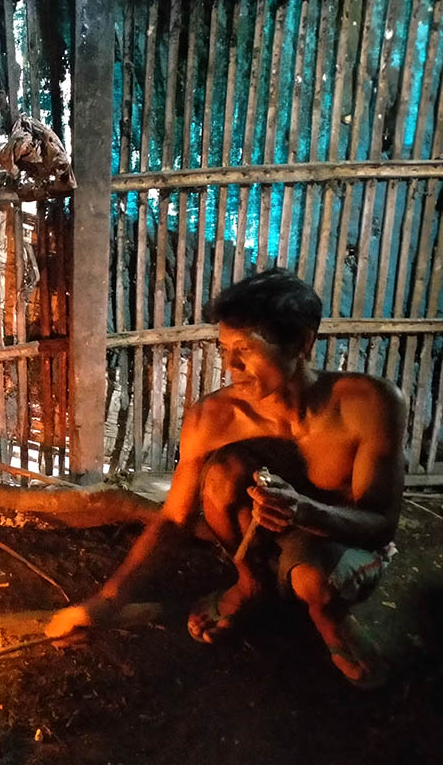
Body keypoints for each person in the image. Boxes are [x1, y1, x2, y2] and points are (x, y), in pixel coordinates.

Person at [45, 269, 405, 688]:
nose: (231, 365)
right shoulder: (215, 418)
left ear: (303, 343)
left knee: (315, 583)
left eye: (247, 350)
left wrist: (304, 511)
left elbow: (380, 526)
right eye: (225, 349)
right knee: (224, 470)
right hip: (264, 545)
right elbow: (174, 520)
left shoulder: (368, 403)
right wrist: (107, 602)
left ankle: (330, 622)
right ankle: (250, 586)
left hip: (340, 545)